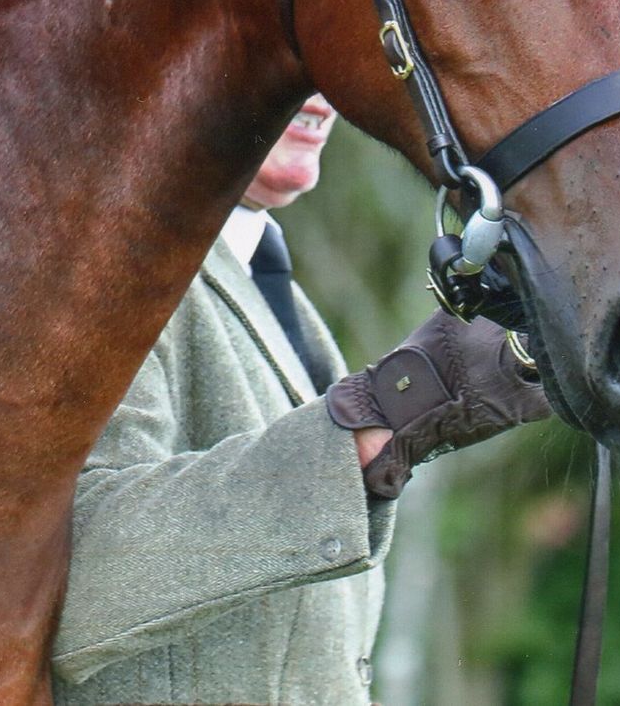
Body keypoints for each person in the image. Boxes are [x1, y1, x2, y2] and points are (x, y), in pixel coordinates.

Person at [51, 95, 548, 706]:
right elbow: (81, 569)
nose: (318, 96)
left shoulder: (267, 279)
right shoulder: (100, 262)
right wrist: (388, 415)